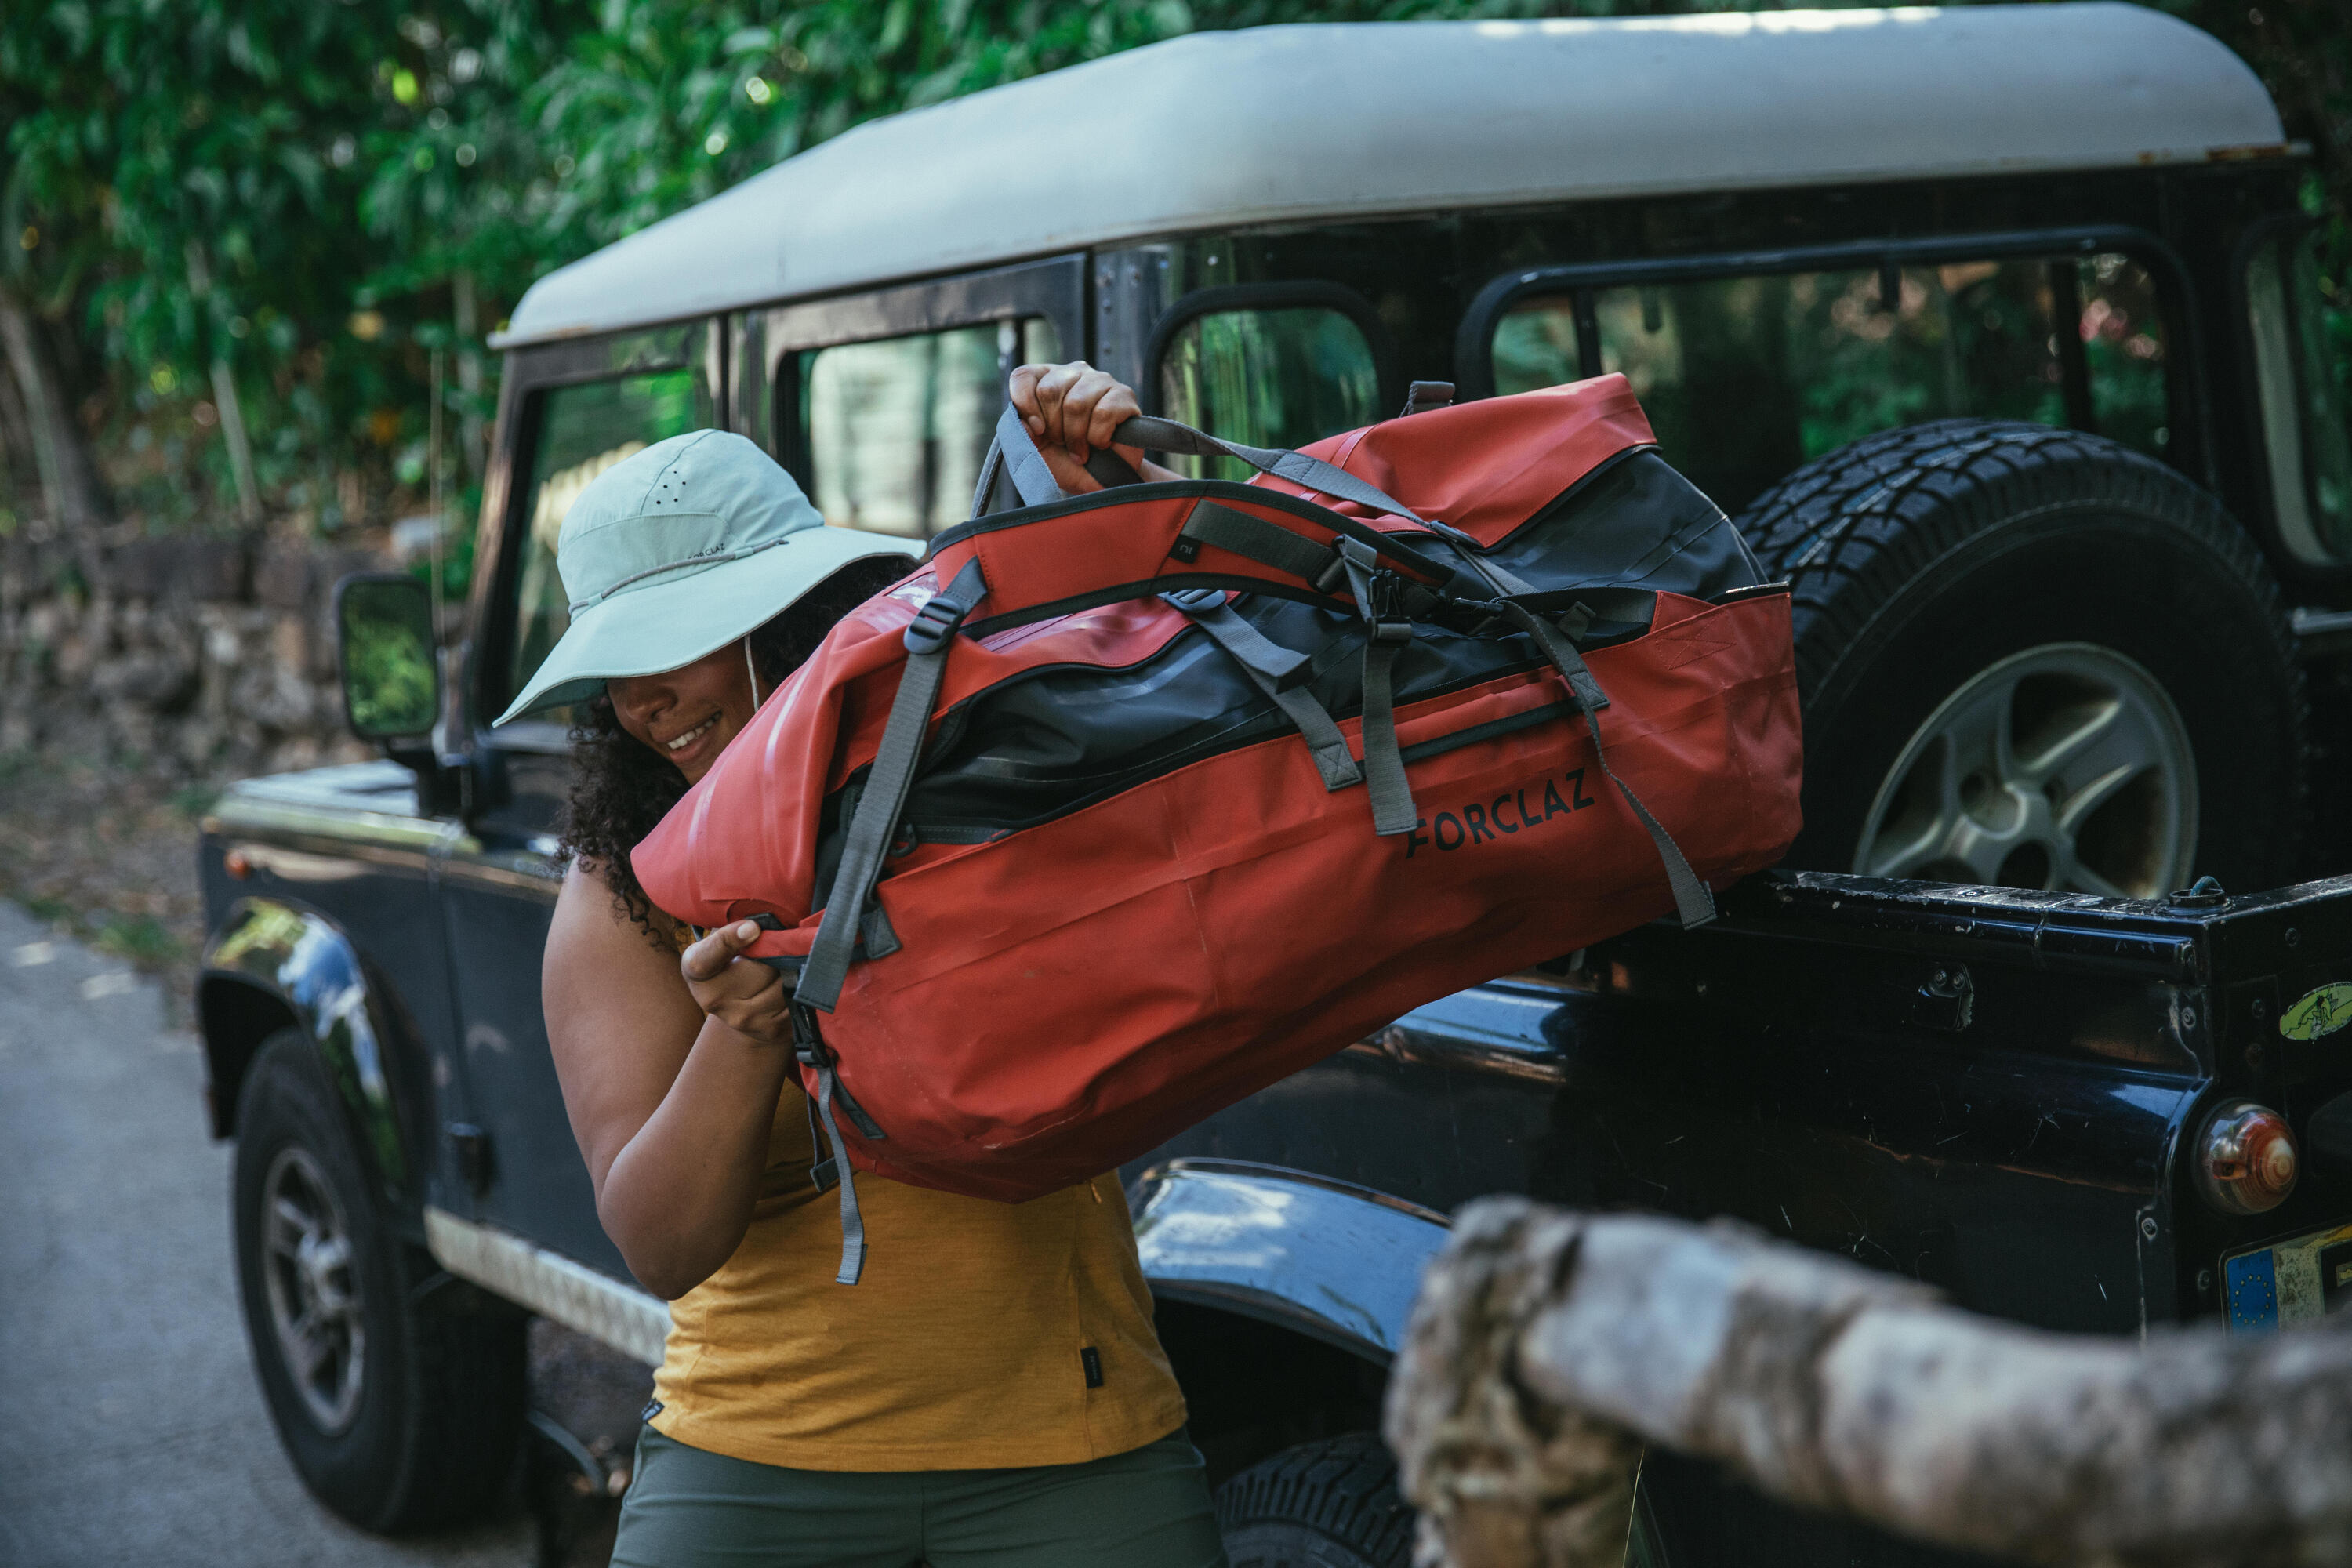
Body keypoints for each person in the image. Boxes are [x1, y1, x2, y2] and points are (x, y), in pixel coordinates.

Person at [499, 363, 1226, 1568]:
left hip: (1078, 1446)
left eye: (675, 641)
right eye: (616, 668)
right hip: (758, 1457)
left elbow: (1169, 701)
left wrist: (1118, 500)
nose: (644, 701)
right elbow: (659, 1245)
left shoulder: (982, 762)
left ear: (796, 616)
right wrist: (742, 1037)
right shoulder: (626, 887)